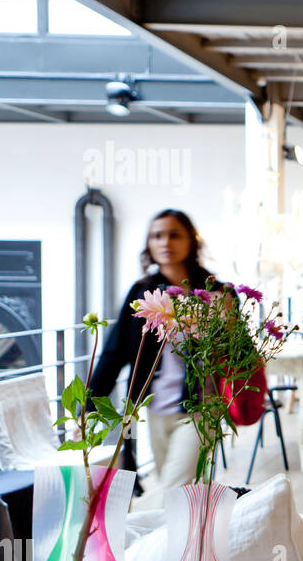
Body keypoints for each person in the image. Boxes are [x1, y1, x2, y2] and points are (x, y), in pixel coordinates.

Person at [90, 209, 214, 493]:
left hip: (201, 407)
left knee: (175, 488)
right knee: (182, 490)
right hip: (155, 408)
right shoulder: (141, 292)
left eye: (174, 235)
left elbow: (237, 348)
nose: (165, 242)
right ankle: (197, 536)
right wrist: (88, 407)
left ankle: (183, 535)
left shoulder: (214, 292)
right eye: (157, 236)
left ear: (191, 242)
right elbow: (115, 352)